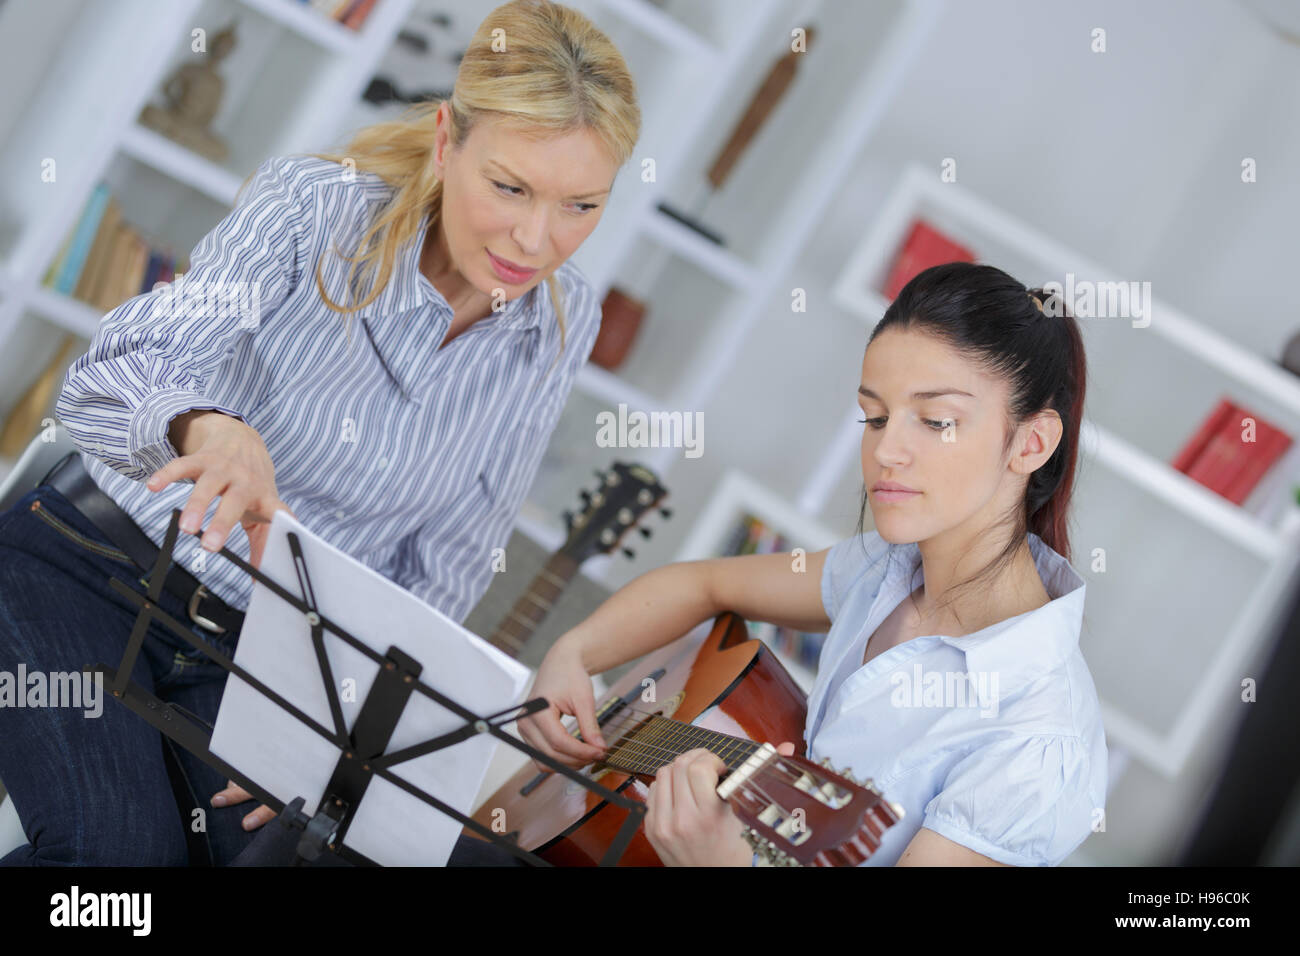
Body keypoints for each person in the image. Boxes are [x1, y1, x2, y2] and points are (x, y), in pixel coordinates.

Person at [0, 0, 639, 866]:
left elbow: (440, 571)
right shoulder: (314, 207)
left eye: (581, 206)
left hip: (256, 664)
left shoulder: (562, 325)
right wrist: (206, 425)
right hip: (82, 566)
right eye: (510, 187)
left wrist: (336, 735)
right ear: (449, 141)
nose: (536, 239)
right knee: (120, 859)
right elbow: (107, 376)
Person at [520, 261, 1108, 866]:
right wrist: (574, 654)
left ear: (1032, 443)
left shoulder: (1038, 737)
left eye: (936, 421)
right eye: (875, 417)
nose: (886, 450)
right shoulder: (884, 568)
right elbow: (705, 583)